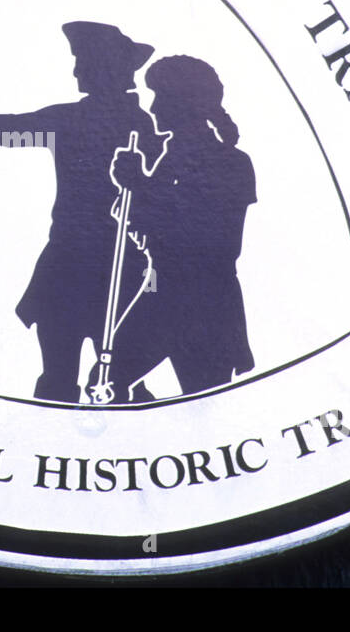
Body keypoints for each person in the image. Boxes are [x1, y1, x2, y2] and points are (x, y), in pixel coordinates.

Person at [0, 21, 163, 403]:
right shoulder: (75, 120)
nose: (76, 71)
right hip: (67, 266)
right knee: (60, 379)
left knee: (115, 382)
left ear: (105, 67)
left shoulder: (142, 129)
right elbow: (8, 129)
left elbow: (166, 200)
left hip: (114, 266)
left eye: (83, 62)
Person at [100, 54, 257, 401]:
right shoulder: (169, 158)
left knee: (206, 408)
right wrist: (134, 186)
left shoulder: (230, 163)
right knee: (107, 384)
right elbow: (151, 232)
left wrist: (140, 187)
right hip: (159, 292)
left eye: (160, 97)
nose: (153, 108)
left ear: (184, 102)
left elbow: (215, 245)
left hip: (205, 304)